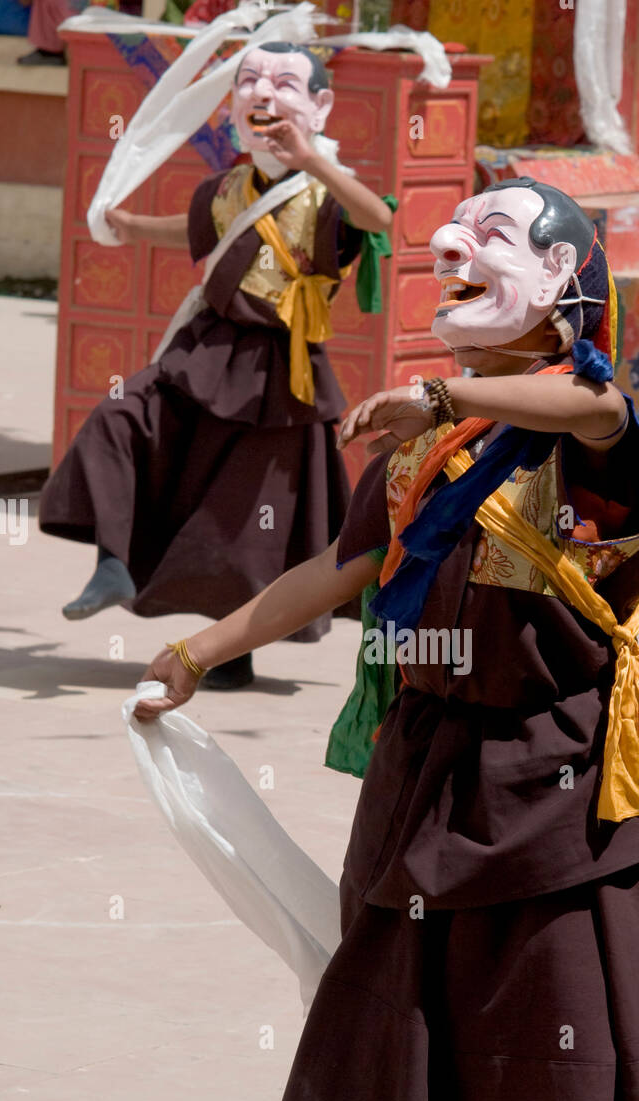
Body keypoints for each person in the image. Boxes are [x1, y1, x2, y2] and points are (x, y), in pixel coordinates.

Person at [134, 177, 639, 1101]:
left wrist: (443, 393)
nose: (453, 244)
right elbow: (345, 568)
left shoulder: (585, 417)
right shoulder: (424, 444)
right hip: (428, 745)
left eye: (494, 234)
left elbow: (588, 412)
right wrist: (201, 649)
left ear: (562, 281)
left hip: (561, 757)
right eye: (456, 232)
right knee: (417, 991)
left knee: (583, 1001)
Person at [39, 41, 393, 689]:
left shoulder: (326, 190)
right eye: (249, 81)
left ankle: (227, 650)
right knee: (121, 419)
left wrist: (310, 158)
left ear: (320, 105)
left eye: (284, 83)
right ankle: (114, 560)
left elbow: (379, 224)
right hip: (204, 350)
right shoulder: (233, 184)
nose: (262, 93)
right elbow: (201, 228)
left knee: (244, 521)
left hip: (279, 372)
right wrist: (133, 226)